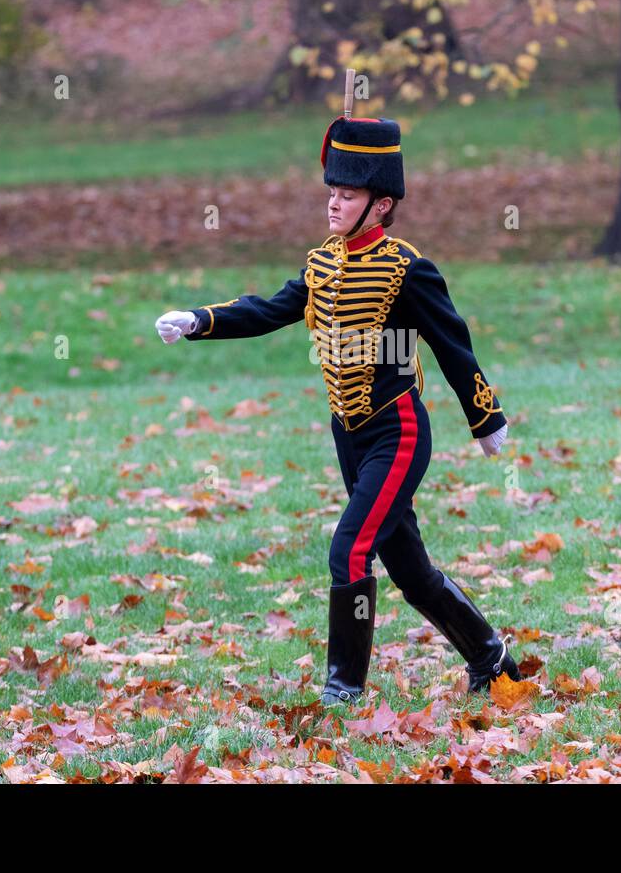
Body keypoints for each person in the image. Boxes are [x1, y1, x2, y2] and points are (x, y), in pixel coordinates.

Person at [155, 114, 523, 706]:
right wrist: (202, 320)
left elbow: (453, 342)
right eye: (331, 192)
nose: (333, 203)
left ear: (379, 206)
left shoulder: (408, 268)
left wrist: (486, 418)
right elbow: (269, 310)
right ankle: (492, 658)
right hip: (346, 435)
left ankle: (342, 690)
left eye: (346, 195)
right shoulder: (321, 262)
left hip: (398, 431)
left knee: (347, 550)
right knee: (410, 570)